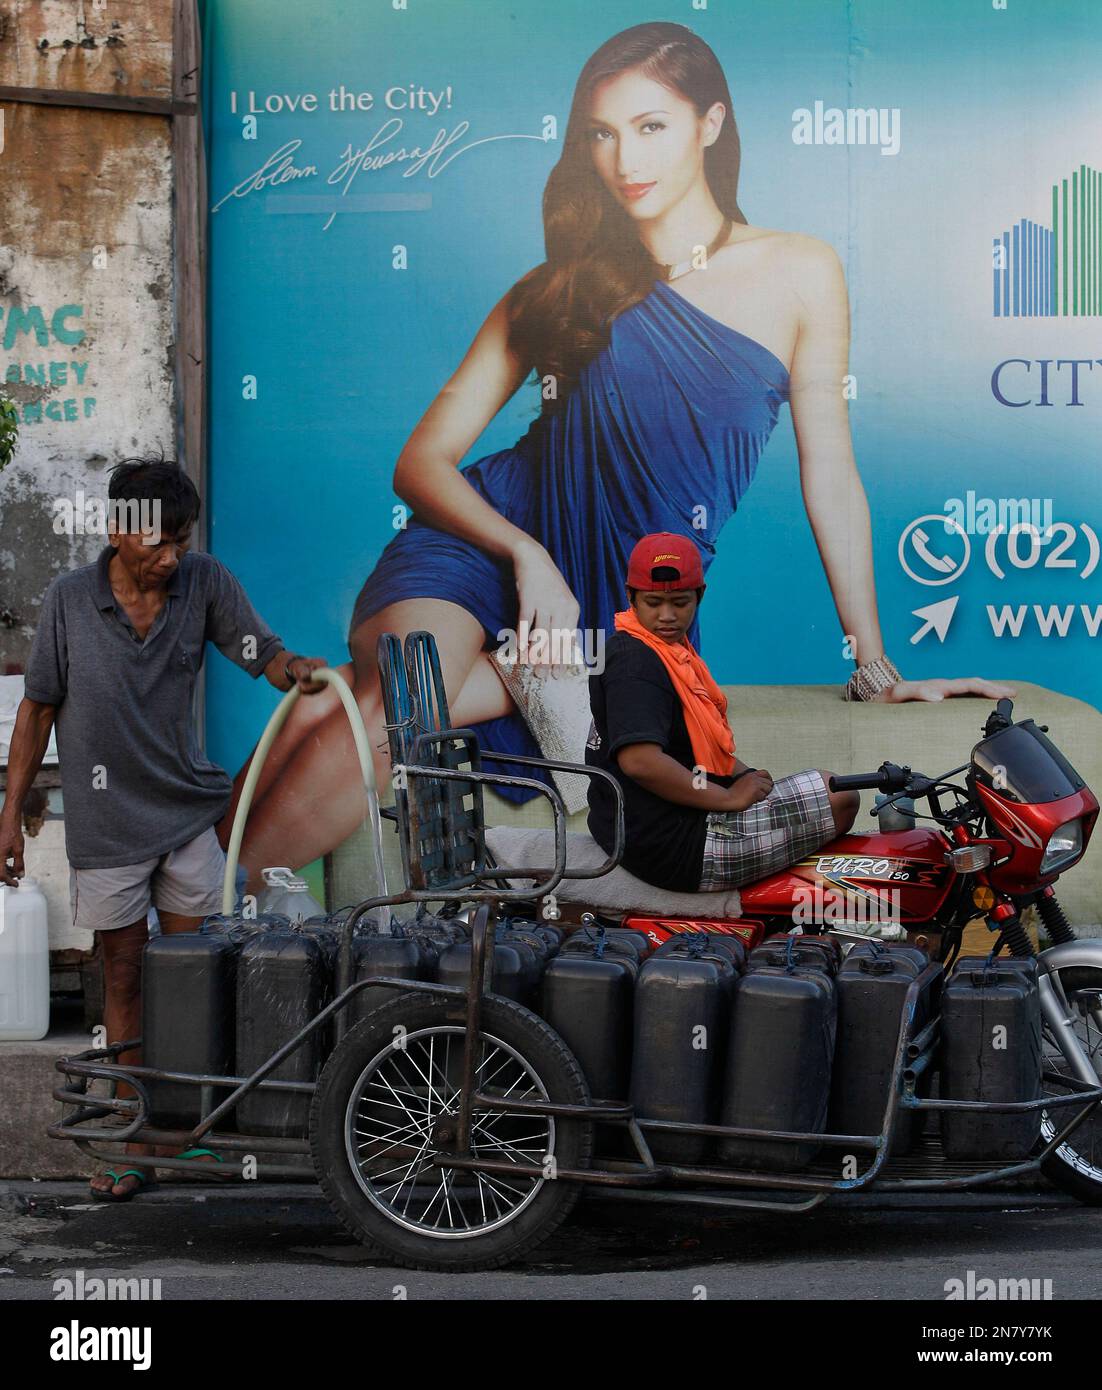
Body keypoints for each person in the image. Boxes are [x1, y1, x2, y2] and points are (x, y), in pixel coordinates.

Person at [220, 19, 1011, 878]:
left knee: (346, 705)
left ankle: (196, 893)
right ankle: (205, 915)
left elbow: (831, 473)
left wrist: (874, 667)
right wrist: (526, 556)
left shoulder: (801, 271)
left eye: (651, 126)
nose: (625, 158)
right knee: (407, 693)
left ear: (710, 123)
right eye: (602, 133)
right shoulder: (558, 287)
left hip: (620, 602)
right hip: (480, 547)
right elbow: (419, 465)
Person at [0, 458, 327, 1202]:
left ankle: (184, 1127)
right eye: (160, 543)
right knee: (122, 975)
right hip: (107, 823)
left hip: (183, 814)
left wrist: (295, 670)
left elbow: (260, 654)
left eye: (182, 541)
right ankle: (130, 1137)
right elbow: (37, 709)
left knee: (190, 974)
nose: (173, 557)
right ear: (118, 531)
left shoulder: (203, 582)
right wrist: (10, 816)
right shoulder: (70, 600)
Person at [585, 532, 858, 892]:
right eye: (653, 602)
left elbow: (692, 746)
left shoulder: (668, 653)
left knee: (826, 789)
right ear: (630, 596)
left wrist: (745, 775)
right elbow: (640, 761)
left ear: (699, 595)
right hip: (674, 845)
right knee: (839, 795)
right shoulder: (634, 661)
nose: (667, 616)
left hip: (654, 827)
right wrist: (729, 797)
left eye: (680, 602)